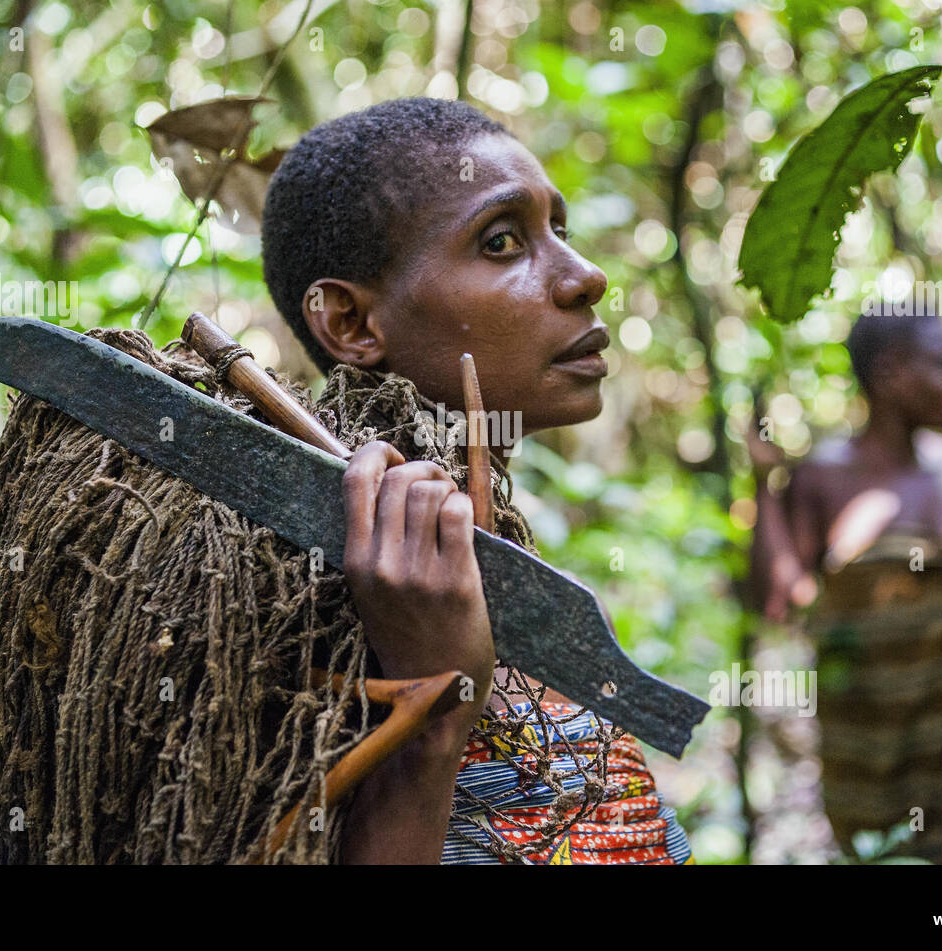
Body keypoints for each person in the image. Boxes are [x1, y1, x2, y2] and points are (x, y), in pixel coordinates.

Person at [260, 96, 694, 864]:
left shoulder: (506, 576)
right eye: (502, 242)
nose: (585, 276)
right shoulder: (283, 623)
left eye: (560, 230)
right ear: (353, 325)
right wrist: (429, 719)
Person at [747, 307, 942, 864]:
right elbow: (777, 599)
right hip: (872, 766)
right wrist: (762, 485)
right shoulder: (823, 477)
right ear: (891, 374)